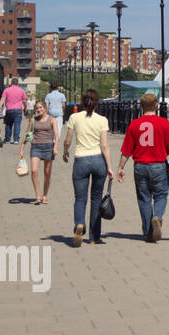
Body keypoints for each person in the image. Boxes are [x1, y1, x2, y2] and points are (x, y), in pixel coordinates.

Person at [115, 92, 169, 242]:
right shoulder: (164, 123)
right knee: (161, 195)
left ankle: (149, 233)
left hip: (140, 166)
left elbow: (126, 151)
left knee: (144, 199)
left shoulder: (134, 124)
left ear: (141, 107)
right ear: (156, 106)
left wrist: (120, 168)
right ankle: (157, 216)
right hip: (158, 165)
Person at [63, 88, 111, 247]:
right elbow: (104, 146)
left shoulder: (74, 117)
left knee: (80, 198)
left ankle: (79, 224)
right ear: (97, 102)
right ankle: (94, 237)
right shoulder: (102, 120)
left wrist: (65, 152)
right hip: (98, 161)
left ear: (83, 102)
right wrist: (109, 167)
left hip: (81, 161)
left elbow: (68, 140)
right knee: (96, 198)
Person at [21, 100, 58, 204]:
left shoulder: (52, 119)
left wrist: (55, 147)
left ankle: (45, 195)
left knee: (47, 173)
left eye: (41, 107)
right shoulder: (33, 120)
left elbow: (56, 135)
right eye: (37, 108)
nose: (39, 110)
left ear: (45, 108)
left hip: (48, 147)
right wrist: (21, 149)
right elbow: (27, 134)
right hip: (36, 146)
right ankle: (38, 195)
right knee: (34, 170)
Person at [0, 77, 26, 145]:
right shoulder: (21, 90)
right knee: (17, 125)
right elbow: (24, 101)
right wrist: (25, 107)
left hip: (9, 109)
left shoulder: (6, 90)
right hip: (18, 110)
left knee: (8, 124)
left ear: (11, 83)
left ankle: (7, 139)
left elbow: (2, 99)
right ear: (18, 83)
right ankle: (16, 140)